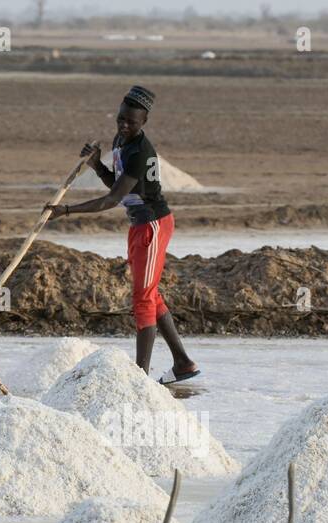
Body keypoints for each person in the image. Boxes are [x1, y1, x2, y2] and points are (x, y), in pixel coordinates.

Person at [45, 85, 199, 384]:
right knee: (150, 296)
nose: (123, 126)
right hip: (139, 225)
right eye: (120, 119)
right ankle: (182, 362)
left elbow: (112, 200)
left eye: (131, 122)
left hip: (153, 224)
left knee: (142, 300)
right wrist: (96, 164)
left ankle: (140, 378)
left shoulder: (140, 151)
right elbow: (115, 186)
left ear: (144, 122)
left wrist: (66, 211)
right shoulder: (120, 141)